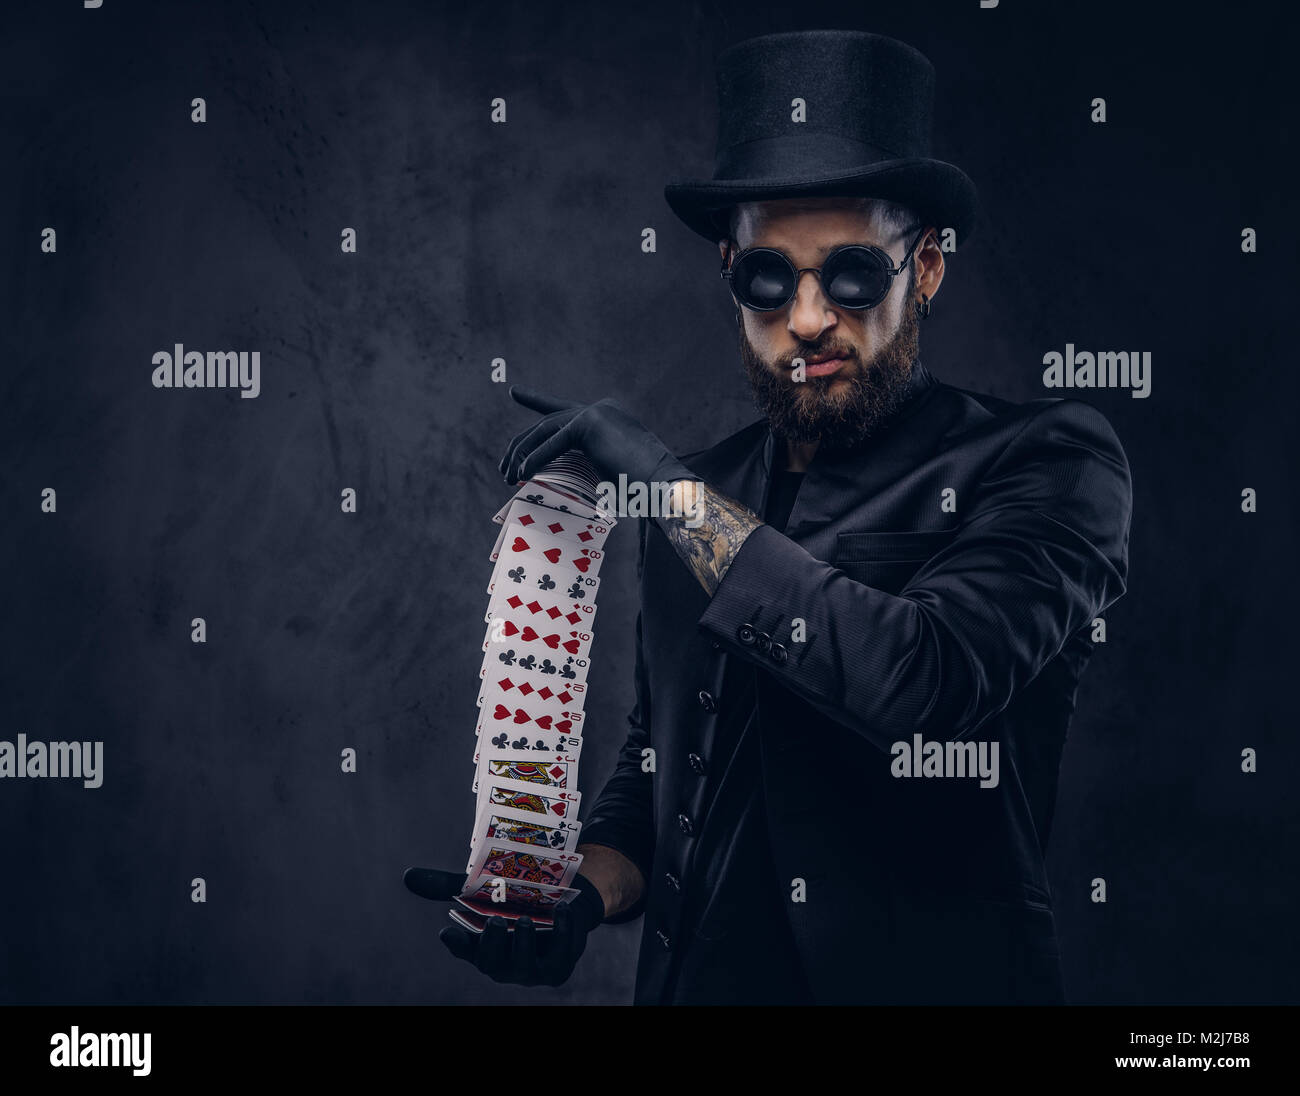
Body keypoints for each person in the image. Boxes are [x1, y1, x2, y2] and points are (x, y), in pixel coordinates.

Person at [405, 29, 1131, 1005]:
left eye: (850, 274)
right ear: (728, 272)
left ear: (923, 268)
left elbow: (922, 675)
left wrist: (665, 492)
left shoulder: (1049, 459)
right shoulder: (705, 487)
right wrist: (572, 895)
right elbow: (660, 772)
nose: (804, 318)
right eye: (767, 277)